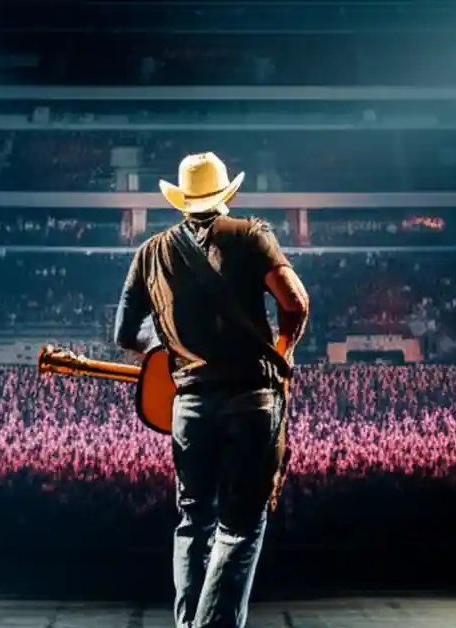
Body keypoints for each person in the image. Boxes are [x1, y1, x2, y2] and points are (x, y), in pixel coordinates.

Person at [113, 152, 310, 628]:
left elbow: (124, 334)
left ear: (181, 199)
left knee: (193, 523)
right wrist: (282, 348)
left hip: (190, 407)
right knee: (239, 529)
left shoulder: (150, 253)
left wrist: (166, 352)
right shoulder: (250, 235)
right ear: (226, 194)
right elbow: (295, 302)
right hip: (250, 402)